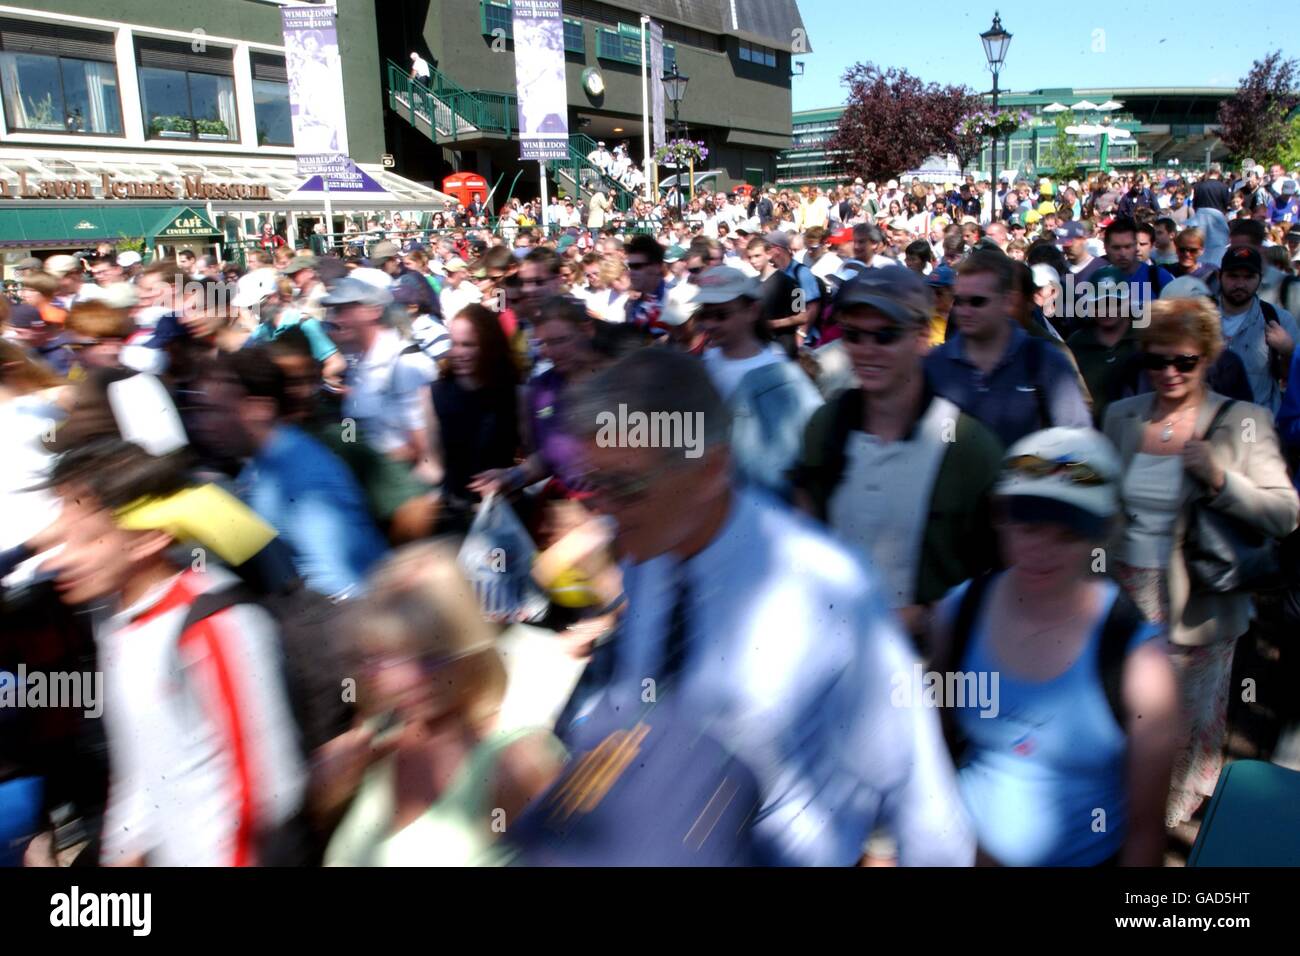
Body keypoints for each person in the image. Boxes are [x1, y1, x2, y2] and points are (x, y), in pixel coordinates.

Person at [558, 348, 974, 866]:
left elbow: (917, 792)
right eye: (593, 483)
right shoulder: (651, 553)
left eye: (624, 486)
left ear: (710, 470)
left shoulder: (825, 589)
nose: (600, 508)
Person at [37, 438, 306, 865]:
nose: (61, 560)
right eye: (62, 538)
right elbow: (142, 764)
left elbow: (264, 792)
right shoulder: (113, 620)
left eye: (86, 540)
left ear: (148, 540)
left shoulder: (214, 624)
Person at [930, 427, 1179, 866]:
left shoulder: (1141, 663)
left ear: (1102, 534)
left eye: (1068, 532)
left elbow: (1144, 834)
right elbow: (933, 751)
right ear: (1000, 518)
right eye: (1027, 524)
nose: (1041, 549)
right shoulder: (960, 612)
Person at [1103, 296, 1299, 828]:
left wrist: (1219, 481)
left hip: (1199, 605)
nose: (1168, 372)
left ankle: (1160, 828)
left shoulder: (1244, 422)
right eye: (1156, 359)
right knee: (1124, 714)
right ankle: (1122, 811)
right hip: (1124, 600)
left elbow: (1285, 513)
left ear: (1209, 358)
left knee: (1182, 724)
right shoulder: (1121, 418)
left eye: (1184, 361)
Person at [322, 542, 565, 866]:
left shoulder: (519, 764)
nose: (401, 681)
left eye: (429, 658)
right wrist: (324, 799)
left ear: (471, 653)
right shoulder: (375, 749)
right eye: (385, 658)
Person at [795, 267, 1002, 639]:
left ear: (922, 336)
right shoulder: (825, 425)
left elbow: (1000, 582)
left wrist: (922, 619)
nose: (866, 350)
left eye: (885, 336)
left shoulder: (969, 447)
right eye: (854, 335)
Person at [191, 349, 389, 600]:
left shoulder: (301, 478)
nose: (202, 423)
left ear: (259, 409)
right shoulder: (261, 465)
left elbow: (343, 585)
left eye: (215, 411)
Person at [925, 249, 1092, 447]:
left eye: (977, 301)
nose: (964, 310)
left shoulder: (1045, 360)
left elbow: (1078, 442)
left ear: (1008, 300)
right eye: (959, 301)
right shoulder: (934, 364)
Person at [693, 266, 823, 499]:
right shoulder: (706, 361)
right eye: (705, 314)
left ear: (751, 310)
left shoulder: (780, 374)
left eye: (722, 315)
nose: (710, 324)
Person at [322, 278, 437, 474]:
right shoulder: (360, 363)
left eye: (342, 310)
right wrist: (345, 446)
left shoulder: (407, 364)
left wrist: (358, 458)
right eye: (333, 311)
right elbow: (352, 422)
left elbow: (421, 452)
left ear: (374, 311)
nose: (335, 320)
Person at [427, 305, 520, 531]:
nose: (458, 353)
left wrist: (511, 476)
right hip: (453, 513)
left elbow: (533, 456)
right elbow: (432, 464)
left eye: (468, 345)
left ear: (489, 346)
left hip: (503, 512)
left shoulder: (516, 394)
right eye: (454, 344)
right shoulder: (432, 394)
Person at [1216, 245, 1297, 413]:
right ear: (1219, 276)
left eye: (1248, 277)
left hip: (1258, 426)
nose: (1240, 284)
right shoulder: (1199, 318)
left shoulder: (1279, 319)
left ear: (1259, 279)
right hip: (1208, 426)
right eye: (1233, 276)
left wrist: (1289, 351)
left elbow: (1291, 380)